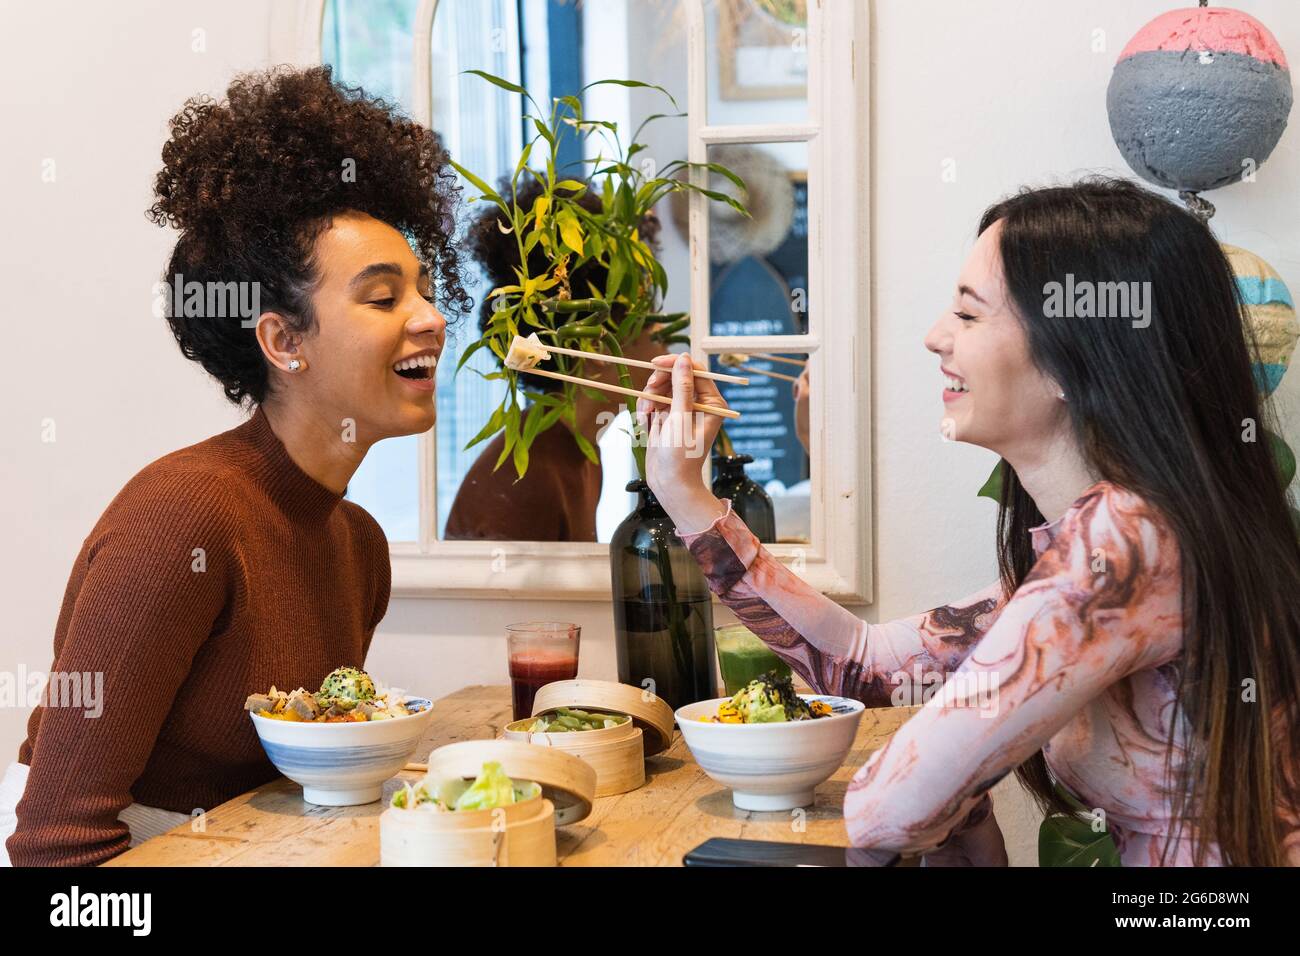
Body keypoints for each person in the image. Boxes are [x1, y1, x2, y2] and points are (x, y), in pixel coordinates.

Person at [640, 176, 1300, 866]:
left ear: (1074, 358)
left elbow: (886, 812)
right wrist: (684, 492)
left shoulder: (1128, 541)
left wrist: (948, 794)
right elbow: (863, 667)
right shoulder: (1130, 536)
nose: (935, 338)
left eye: (970, 314)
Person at [2, 66, 467, 866]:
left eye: (424, 290)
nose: (431, 319)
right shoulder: (183, 517)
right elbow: (55, 852)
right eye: (385, 298)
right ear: (284, 342)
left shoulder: (359, 544)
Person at [444, 174, 664, 541]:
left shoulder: (582, 452)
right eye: (648, 327)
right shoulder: (526, 478)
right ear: (596, 348)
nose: (664, 340)